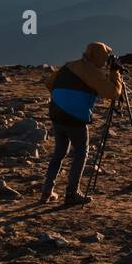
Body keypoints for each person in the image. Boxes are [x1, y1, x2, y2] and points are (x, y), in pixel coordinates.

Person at [39, 41, 124, 206]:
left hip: (57, 113)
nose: (106, 61)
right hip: (74, 118)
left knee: (59, 153)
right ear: (99, 57)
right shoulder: (93, 73)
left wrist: (63, 98)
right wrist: (116, 74)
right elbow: (113, 93)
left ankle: (46, 192)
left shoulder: (70, 65)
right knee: (81, 152)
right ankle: (72, 193)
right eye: (105, 57)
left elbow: (49, 82)